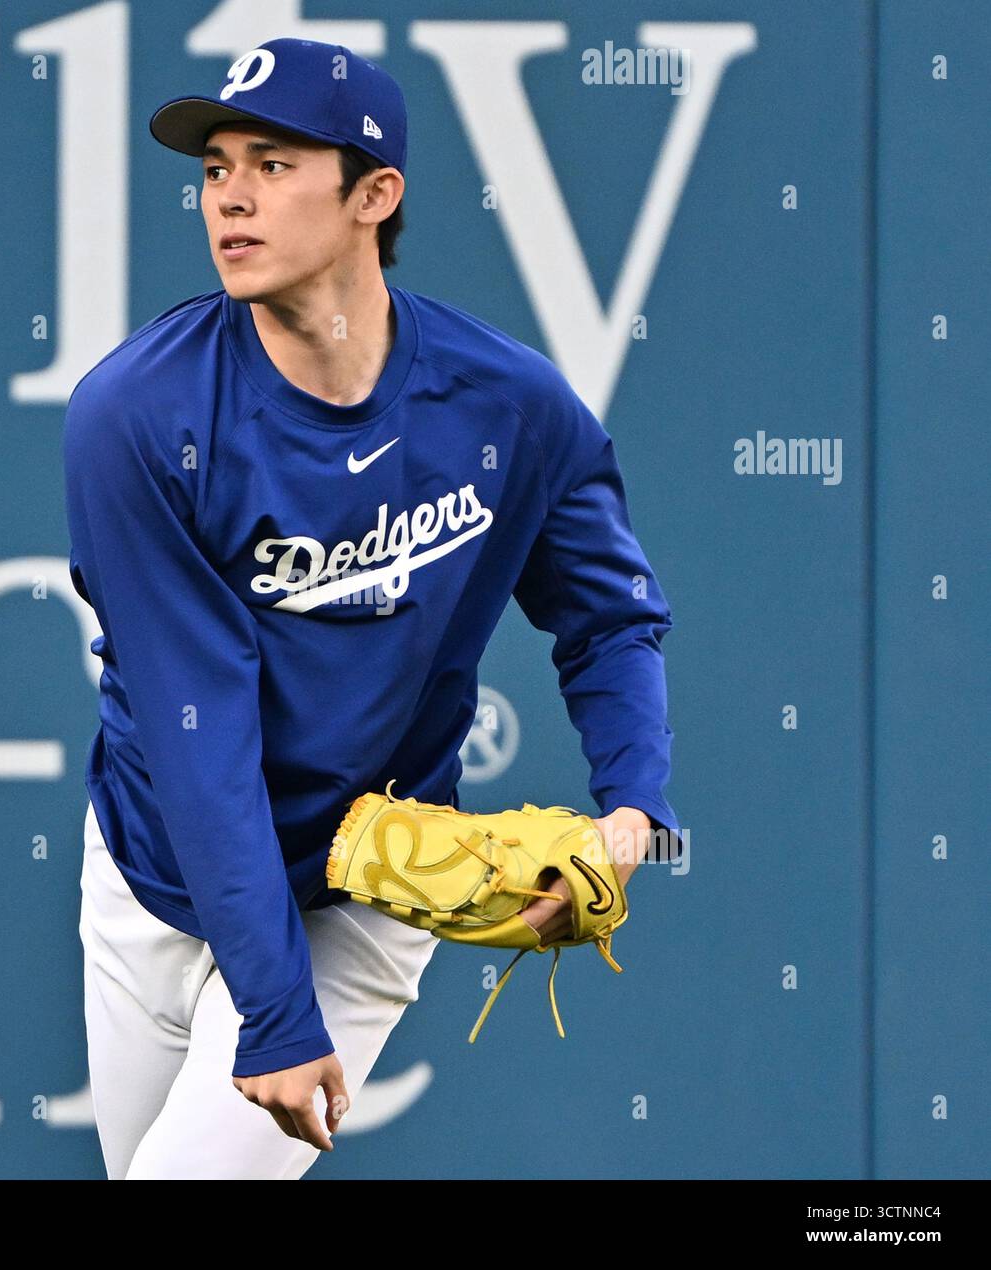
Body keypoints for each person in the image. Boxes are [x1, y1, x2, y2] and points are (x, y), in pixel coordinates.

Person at [62, 36, 680, 1181]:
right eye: (214, 167)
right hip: (157, 871)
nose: (229, 194)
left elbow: (609, 615)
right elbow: (201, 737)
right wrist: (275, 1013)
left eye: (275, 161)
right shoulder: (137, 416)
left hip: (362, 883)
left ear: (374, 195)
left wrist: (632, 807)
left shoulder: (507, 405)